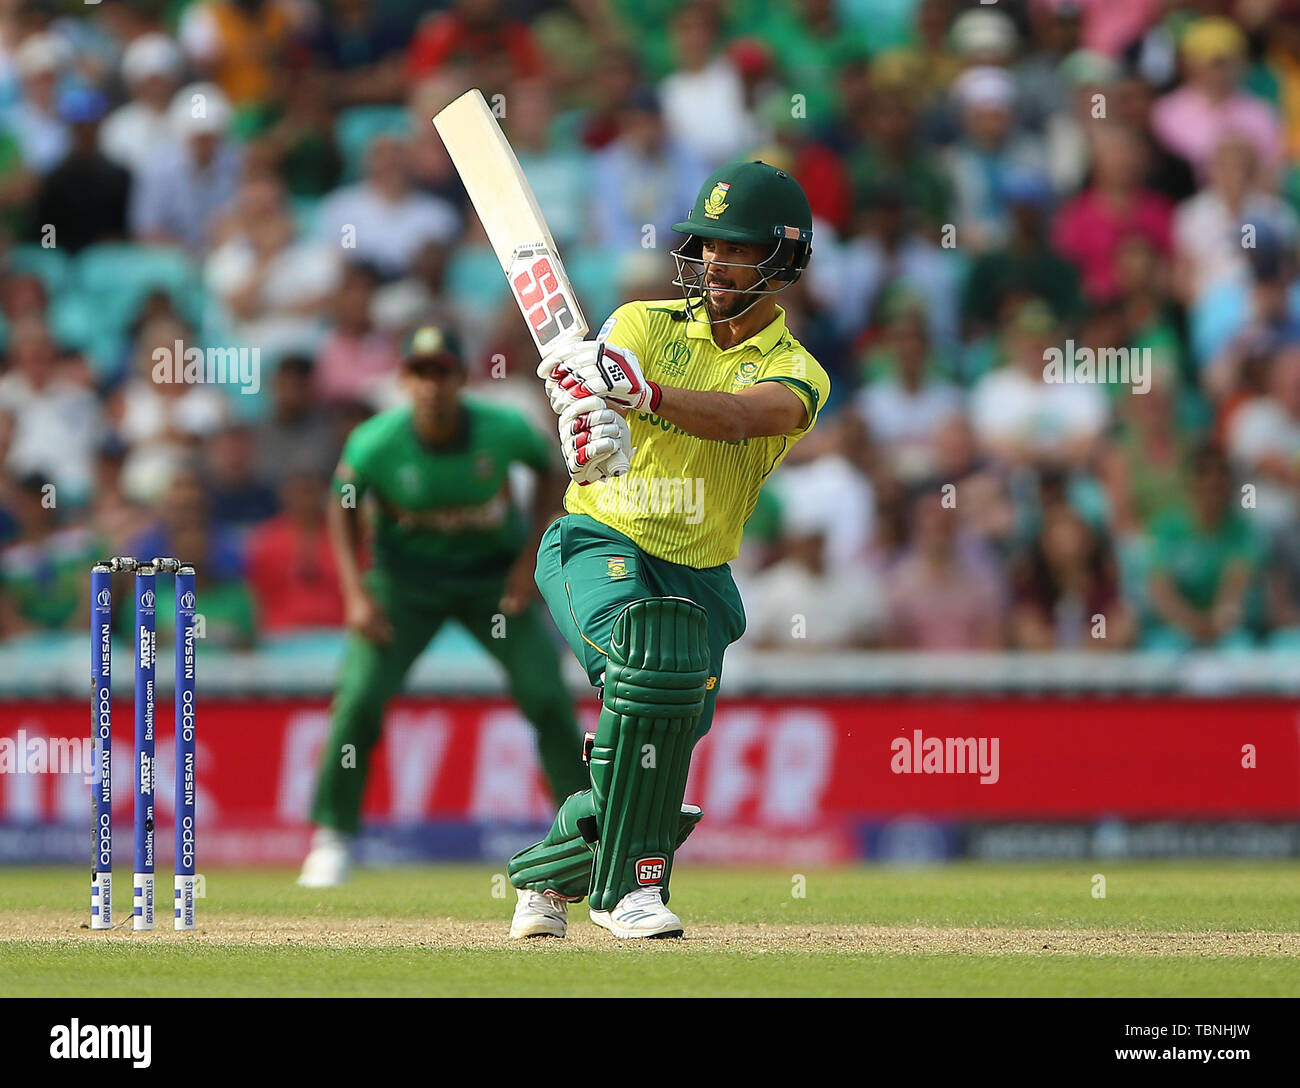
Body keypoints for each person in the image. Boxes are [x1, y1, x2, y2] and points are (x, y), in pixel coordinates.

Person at [507, 160, 830, 940]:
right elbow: (595, 382)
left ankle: (541, 883)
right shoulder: (643, 323)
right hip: (597, 538)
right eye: (708, 244)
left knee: (647, 750)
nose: (714, 261)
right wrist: (584, 415)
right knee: (647, 673)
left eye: (738, 248)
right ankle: (628, 893)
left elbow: (743, 417)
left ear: (782, 262)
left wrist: (643, 397)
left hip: (701, 576)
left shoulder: (799, 371)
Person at [298, 326, 588, 887]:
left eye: (443, 373)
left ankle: (582, 834)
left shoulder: (502, 430)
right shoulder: (375, 442)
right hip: (404, 589)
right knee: (359, 698)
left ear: (461, 378)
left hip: (491, 586)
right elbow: (342, 506)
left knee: (548, 697)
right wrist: (356, 593)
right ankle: (332, 837)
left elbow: (554, 468)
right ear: (405, 380)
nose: (432, 386)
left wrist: (529, 558)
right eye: (421, 374)